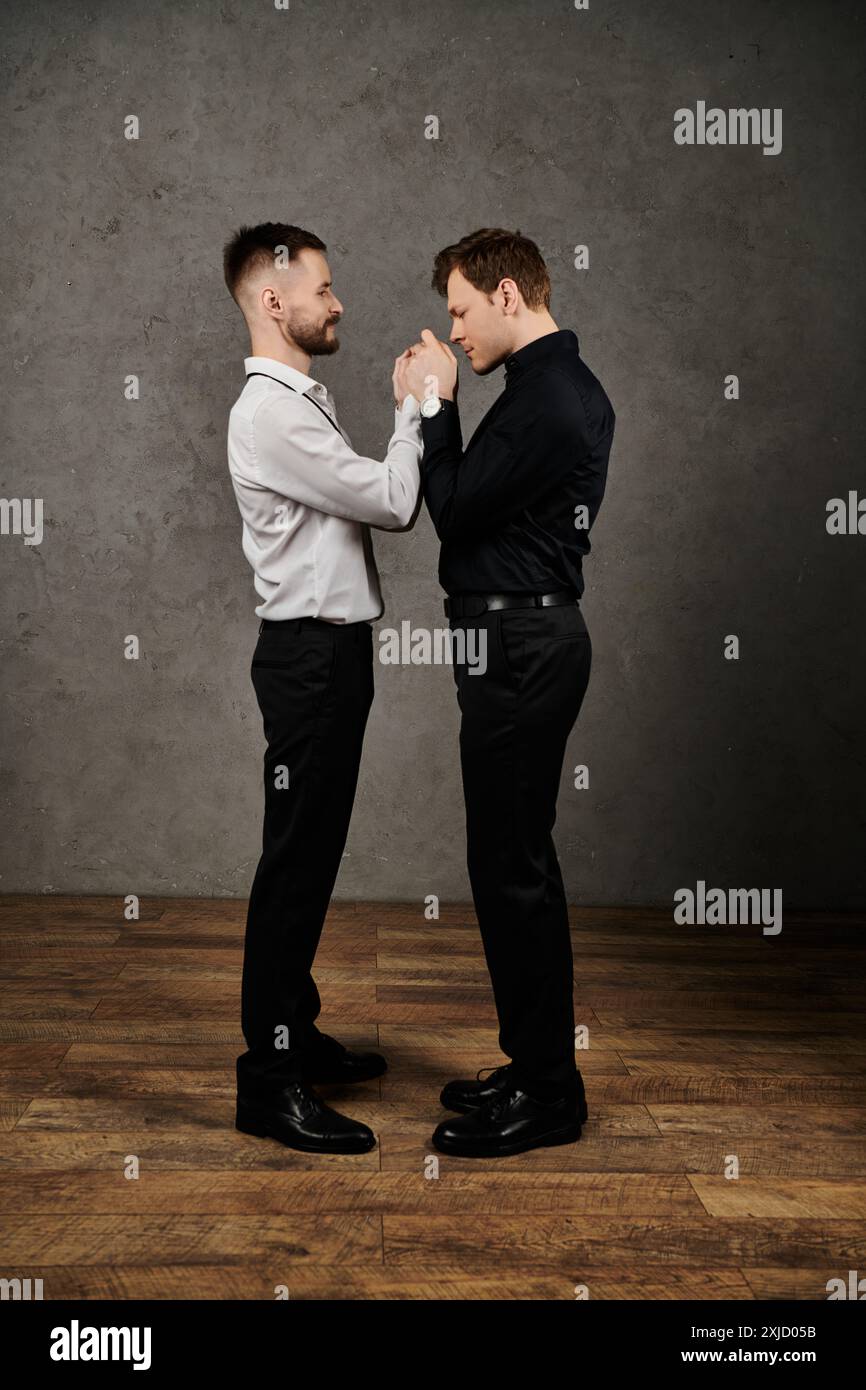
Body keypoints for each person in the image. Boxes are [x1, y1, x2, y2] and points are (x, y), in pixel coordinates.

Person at [401, 227, 615, 1158]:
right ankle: (534, 1067)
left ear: (509, 298)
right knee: (511, 861)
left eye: (460, 310)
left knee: (512, 867)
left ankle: (551, 1096)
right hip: (516, 638)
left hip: (521, 644)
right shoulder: (545, 389)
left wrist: (436, 405)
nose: (455, 333)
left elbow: (451, 504)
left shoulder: (550, 399)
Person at [224, 222, 422, 1154]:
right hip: (308, 660)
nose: (338, 303)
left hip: (328, 656)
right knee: (295, 868)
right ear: (274, 298)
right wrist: (414, 414)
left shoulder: (296, 397)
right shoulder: (272, 412)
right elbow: (391, 502)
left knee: (310, 855)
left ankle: (293, 1032)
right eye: (325, 289)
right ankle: (267, 1083)